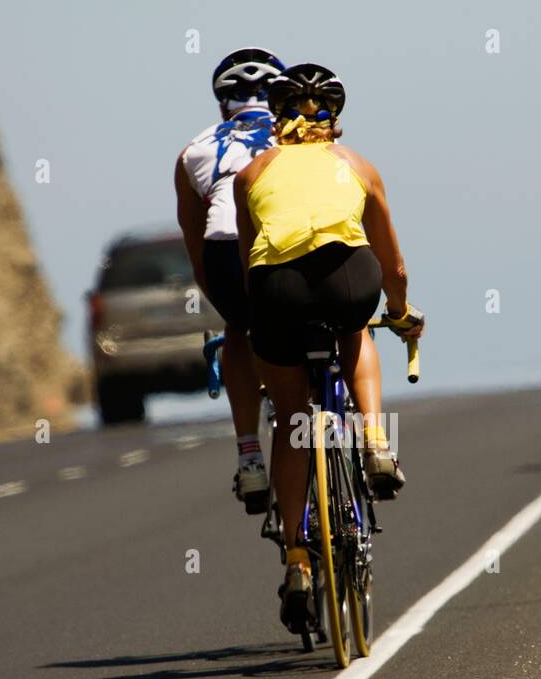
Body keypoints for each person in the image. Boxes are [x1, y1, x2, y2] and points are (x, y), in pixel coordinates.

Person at [233, 63, 424, 630]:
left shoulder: (252, 172)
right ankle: (373, 440)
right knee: (355, 329)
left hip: (278, 289)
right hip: (349, 278)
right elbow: (393, 263)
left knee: (294, 420)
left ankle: (296, 557)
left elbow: (250, 264)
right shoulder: (358, 166)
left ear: (277, 118)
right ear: (333, 120)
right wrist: (400, 313)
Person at [175, 47, 285, 511]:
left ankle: (250, 457)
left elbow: (197, 247)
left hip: (225, 249)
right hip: (293, 246)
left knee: (238, 332)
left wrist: (223, 300)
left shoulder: (194, 150)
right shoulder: (303, 133)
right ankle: (368, 437)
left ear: (223, 105)